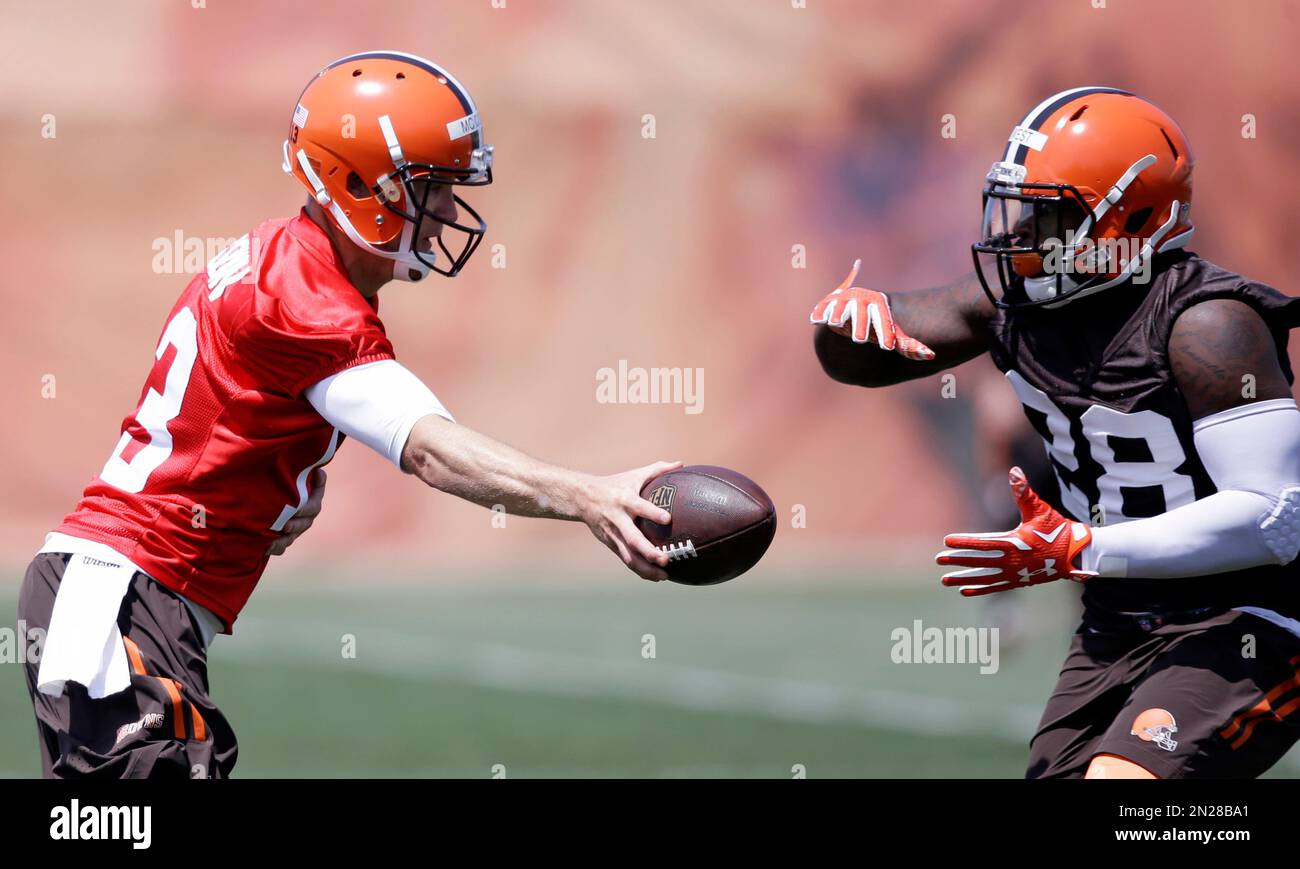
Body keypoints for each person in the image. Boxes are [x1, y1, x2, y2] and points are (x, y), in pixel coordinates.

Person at [18, 51, 678, 779]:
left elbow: (219, 422)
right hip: (124, 593)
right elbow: (431, 449)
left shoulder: (284, 257)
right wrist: (589, 497)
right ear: (358, 184)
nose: (449, 213)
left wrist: (271, 494)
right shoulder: (308, 297)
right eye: (428, 189)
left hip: (122, 593)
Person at [810, 87, 1300, 778]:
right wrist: (841, 324)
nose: (1018, 236)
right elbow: (867, 351)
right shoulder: (1012, 301)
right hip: (1118, 621)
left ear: (1127, 218)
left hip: (1252, 619)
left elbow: (1277, 517)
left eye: (1048, 216)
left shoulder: (1209, 325)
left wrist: (1085, 546)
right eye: (1018, 209)